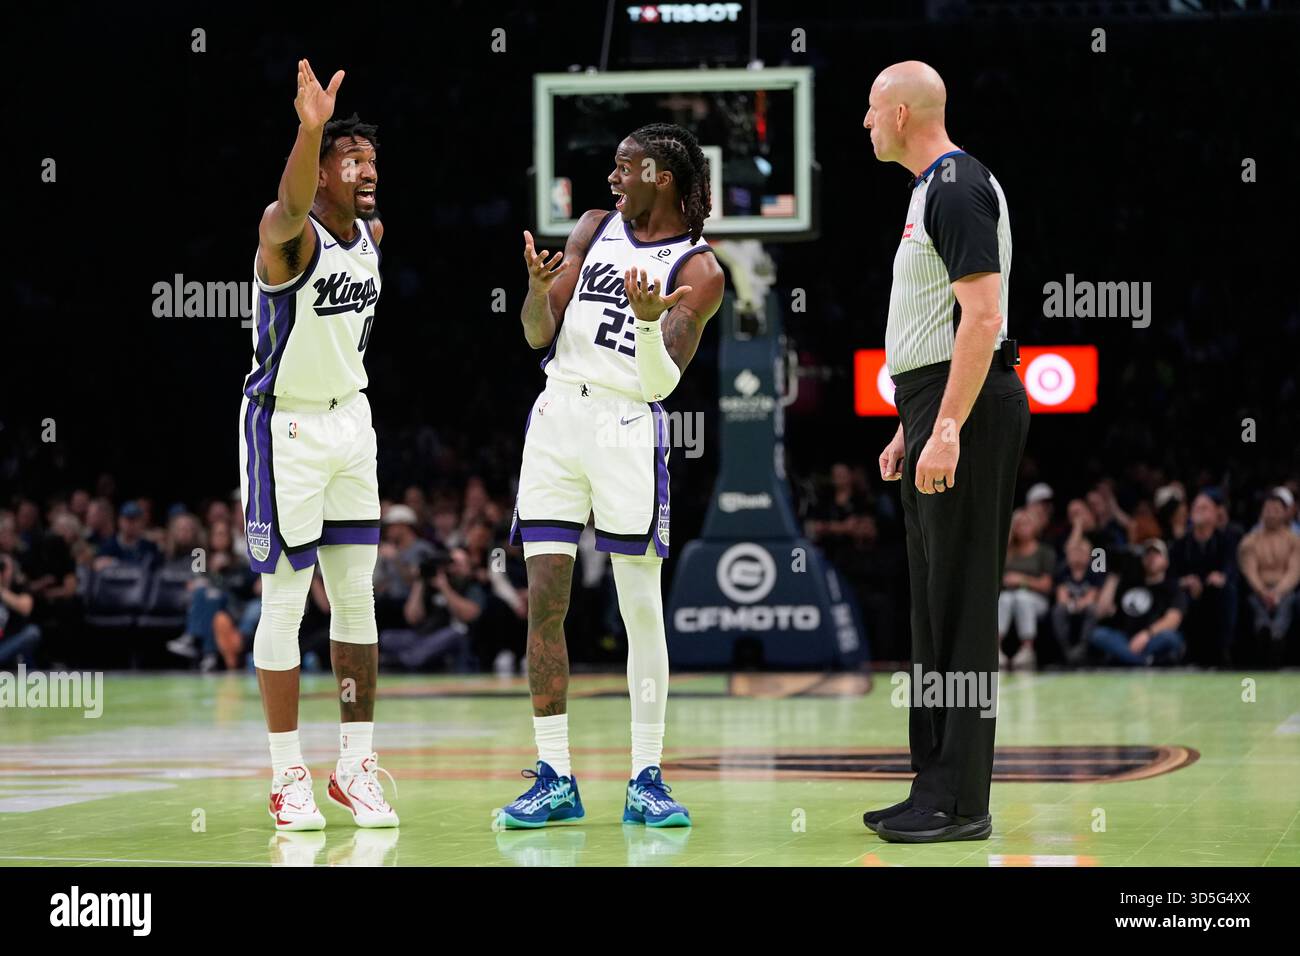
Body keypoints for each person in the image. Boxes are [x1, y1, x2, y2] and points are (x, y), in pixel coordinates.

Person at [500, 122, 725, 829]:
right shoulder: (594, 229)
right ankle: (554, 776)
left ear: (660, 175)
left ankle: (647, 778)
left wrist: (653, 324)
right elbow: (538, 334)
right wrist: (537, 293)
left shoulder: (700, 269)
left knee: (639, 609)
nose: (612, 178)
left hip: (628, 424)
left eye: (626, 167)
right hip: (559, 416)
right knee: (545, 603)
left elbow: (662, 381)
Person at [862, 61, 1028, 843]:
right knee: (933, 610)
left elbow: (983, 316)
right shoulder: (929, 190)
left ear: (899, 112)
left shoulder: (957, 184)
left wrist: (949, 426)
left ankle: (964, 802)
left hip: (966, 407)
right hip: (932, 399)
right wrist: (911, 423)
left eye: (870, 110)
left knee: (961, 606)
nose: (865, 123)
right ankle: (932, 784)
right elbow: (934, 324)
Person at [239, 60, 395, 831]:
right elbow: (292, 201)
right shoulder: (286, 235)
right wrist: (308, 130)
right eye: (351, 159)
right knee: (285, 600)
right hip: (285, 426)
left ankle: (355, 765)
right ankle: (286, 774)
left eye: (371, 158)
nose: (367, 169)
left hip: (351, 422)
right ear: (324, 174)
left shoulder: (371, 233)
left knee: (359, 595)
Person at [1088, 539, 1186, 665]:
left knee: (1170, 637)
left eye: (1156, 554)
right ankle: (1144, 661)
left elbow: (1173, 620)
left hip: (1153, 639)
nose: (1151, 558)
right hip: (1125, 639)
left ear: (1166, 562)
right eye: (1147, 554)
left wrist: (1146, 635)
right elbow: (1101, 612)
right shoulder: (1129, 584)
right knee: (1098, 635)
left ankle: (1129, 659)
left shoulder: (1173, 588)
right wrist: (1114, 575)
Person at [1237, 489, 1300, 666]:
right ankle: (1264, 631)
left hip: (1285, 589)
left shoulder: (1294, 541)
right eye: (1268, 509)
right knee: (1254, 603)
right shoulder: (1249, 541)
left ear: (1285, 512)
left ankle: (1276, 635)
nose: (1272, 514)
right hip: (1259, 589)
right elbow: (1250, 571)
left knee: (1288, 602)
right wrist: (1263, 592)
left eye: (1276, 510)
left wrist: (1278, 592)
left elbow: (1295, 571)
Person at [997, 509, 1055, 670]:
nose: (1022, 527)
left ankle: (1027, 648)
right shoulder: (1007, 551)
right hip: (1008, 597)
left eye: (1026, 523)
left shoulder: (1044, 552)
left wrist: (1022, 580)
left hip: (1036, 599)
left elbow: (1047, 585)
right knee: (1006, 599)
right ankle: (996, 648)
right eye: (1018, 523)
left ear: (1034, 525)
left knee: (1022, 597)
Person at [1050, 537, 1105, 665]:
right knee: (1058, 610)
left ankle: (1083, 648)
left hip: (1085, 606)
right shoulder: (1063, 571)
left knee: (1092, 609)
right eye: (1075, 552)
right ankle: (1066, 649)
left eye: (1082, 552)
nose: (1078, 556)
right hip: (1069, 605)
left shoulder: (1094, 572)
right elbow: (1061, 596)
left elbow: (1093, 595)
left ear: (1089, 556)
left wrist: (1080, 604)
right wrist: (1072, 604)